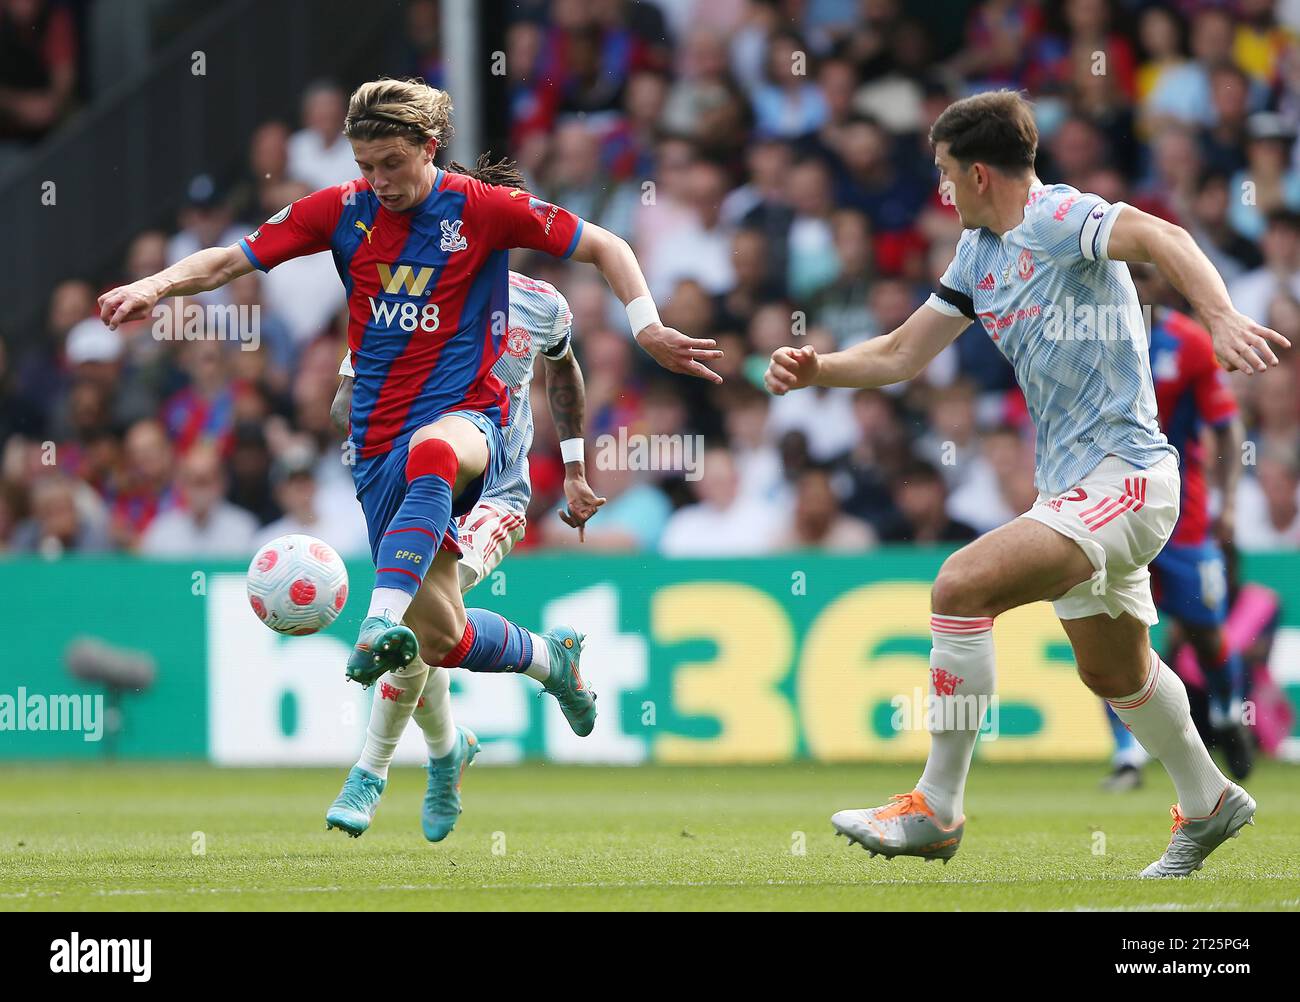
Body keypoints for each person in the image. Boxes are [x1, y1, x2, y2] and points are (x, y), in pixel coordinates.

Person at [97, 77, 721, 842]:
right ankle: (545, 664)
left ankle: (374, 661)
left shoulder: (482, 212)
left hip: (473, 430)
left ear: (429, 147)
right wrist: (154, 286)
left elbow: (606, 245)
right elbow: (233, 259)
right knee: (441, 640)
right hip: (378, 450)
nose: (378, 181)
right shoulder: (341, 211)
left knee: (434, 460)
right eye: (366, 165)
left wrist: (647, 325)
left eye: (391, 163)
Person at [765, 90, 1288, 878]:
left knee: (960, 586)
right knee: (1114, 671)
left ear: (979, 173)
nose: (940, 192)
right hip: (1072, 487)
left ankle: (937, 808)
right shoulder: (977, 256)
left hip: (1129, 477)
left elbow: (1162, 234)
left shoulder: (1061, 217)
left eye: (945, 174)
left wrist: (1215, 315)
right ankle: (1210, 799)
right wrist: (820, 370)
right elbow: (905, 353)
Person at [326, 263, 601, 839]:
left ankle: (370, 771)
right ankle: (465, 735)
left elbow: (564, 372)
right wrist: (368, 388)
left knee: (415, 622)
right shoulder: (395, 303)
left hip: (494, 494)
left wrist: (574, 467)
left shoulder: (539, 303)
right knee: (429, 634)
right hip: (411, 489)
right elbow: (340, 411)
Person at [1101, 271, 1253, 792]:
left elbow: (1226, 426)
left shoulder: (1188, 342)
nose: (1133, 285)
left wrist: (1229, 503)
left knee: (1207, 633)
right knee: (1108, 633)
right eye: (1124, 274)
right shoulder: (1087, 338)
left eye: (1142, 276)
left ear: (1159, 284)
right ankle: (1128, 758)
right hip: (1110, 508)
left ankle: (1230, 712)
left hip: (1182, 517)